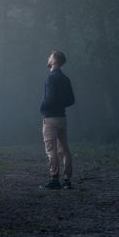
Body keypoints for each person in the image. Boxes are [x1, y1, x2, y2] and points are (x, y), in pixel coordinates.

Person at [39, 50, 75, 189]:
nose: (48, 57)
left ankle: (54, 180)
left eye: (50, 56)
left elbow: (50, 98)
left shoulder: (50, 78)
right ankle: (67, 180)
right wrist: (61, 105)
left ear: (54, 61)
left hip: (50, 118)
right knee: (64, 149)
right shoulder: (65, 78)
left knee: (51, 150)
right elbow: (71, 100)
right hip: (62, 117)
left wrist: (43, 107)